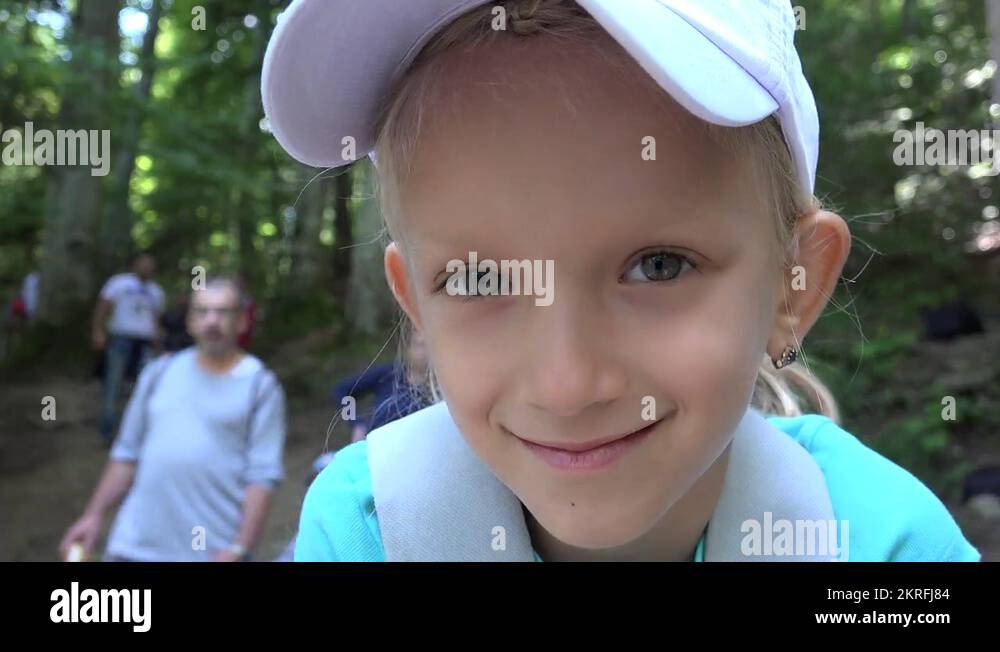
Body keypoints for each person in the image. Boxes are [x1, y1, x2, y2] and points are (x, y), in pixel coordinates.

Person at [264, 0, 980, 561]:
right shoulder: (367, 531)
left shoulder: (886, 546)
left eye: (659, 266)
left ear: (795, 285)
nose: (567, 386)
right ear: (416, 301)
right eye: (481, 279)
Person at [60, 277, 287, 562]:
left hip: (208, 552)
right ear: (190, 322)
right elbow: (126, 454)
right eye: (202, 312)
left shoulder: (259, 385)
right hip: (132, 545)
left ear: (242, 321)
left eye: (223, 312)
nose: (212, 321)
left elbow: (262, 475)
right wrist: (92, 515)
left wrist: (241, 547)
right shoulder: (159, 373)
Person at [91, 252, 166, 443]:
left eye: (151, 264)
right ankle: (107, 431)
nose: (147, 267)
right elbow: (102, 308)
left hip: (146, 344)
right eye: (144, 263)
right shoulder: (118, 283)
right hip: (120, 340)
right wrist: (98, 331)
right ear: (134, 264)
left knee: (144, 388)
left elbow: (156, 320)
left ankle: (137, 434)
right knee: (113, 385)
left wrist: (159, 344)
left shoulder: (156, 291)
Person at [330, 332, 429, 442]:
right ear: (408, 349)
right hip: (376, 447)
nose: (423, 352)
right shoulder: (388, 375)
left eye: (428, 345)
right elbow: (341, 391)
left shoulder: (443, 389)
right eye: (418, 345)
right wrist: (355, 423)